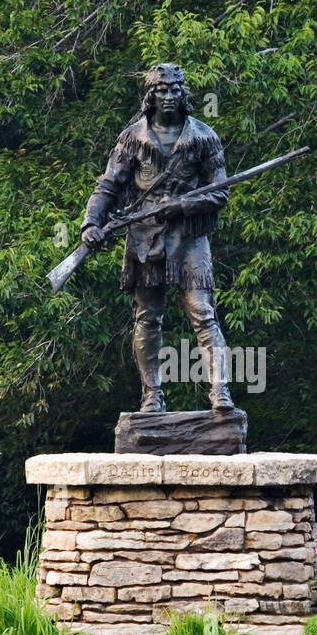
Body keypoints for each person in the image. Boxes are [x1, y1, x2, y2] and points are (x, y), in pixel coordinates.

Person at [81, 63, 235, 413]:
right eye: (161, 91)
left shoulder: (203, 136)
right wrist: (91, 223)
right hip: (144, 238)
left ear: (184, 96)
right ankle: (152, 395)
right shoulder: (132, 137)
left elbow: (221, 193)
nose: (168, 97)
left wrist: (182, 205)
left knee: (203, 313)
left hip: (189, 237)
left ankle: (221, 393)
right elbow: (107, 185)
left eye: (175, 91)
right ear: (150, 97)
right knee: (148, 317)